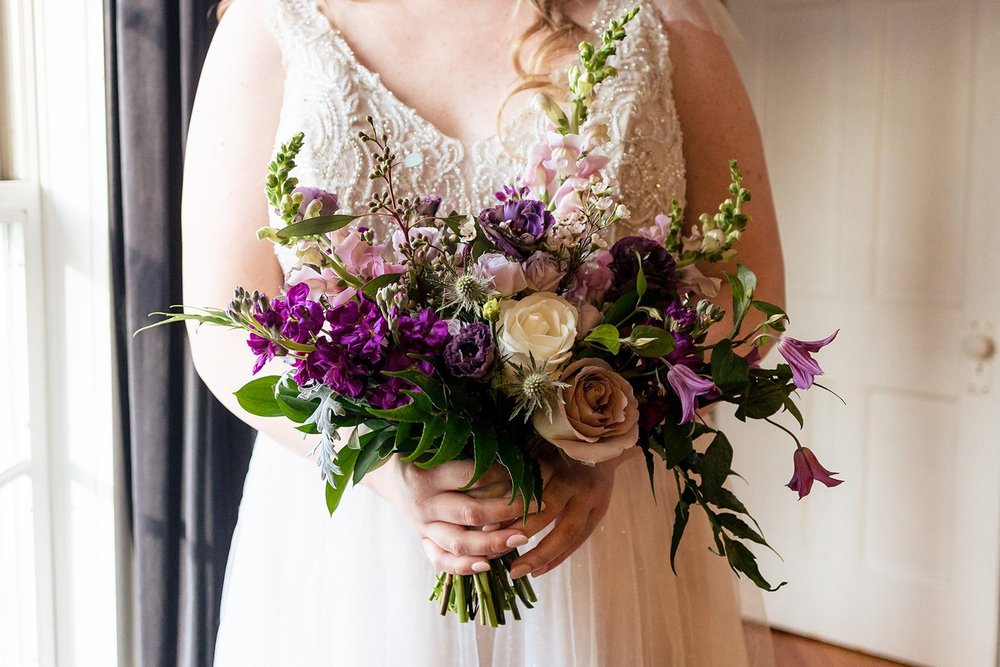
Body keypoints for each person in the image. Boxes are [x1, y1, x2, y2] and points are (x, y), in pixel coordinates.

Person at [182, 0, 785, 664]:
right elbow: (224, 324)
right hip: (360, 549)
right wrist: (381, 463)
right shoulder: (272, 23)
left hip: (602, 538)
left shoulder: (661, 16)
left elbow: (750, 295)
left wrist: (604, 437)